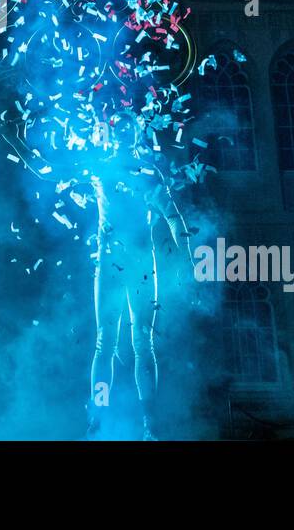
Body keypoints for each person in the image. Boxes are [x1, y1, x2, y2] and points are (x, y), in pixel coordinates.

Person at [87, 173, 160, 440]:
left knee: (142, 342)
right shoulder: (98, 166)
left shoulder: (148, 168)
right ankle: (98, 419)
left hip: (139, 262)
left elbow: (173, 213)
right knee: (105, 343)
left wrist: (186, 250)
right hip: (110, 263)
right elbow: (47, 167)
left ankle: (150, 425)